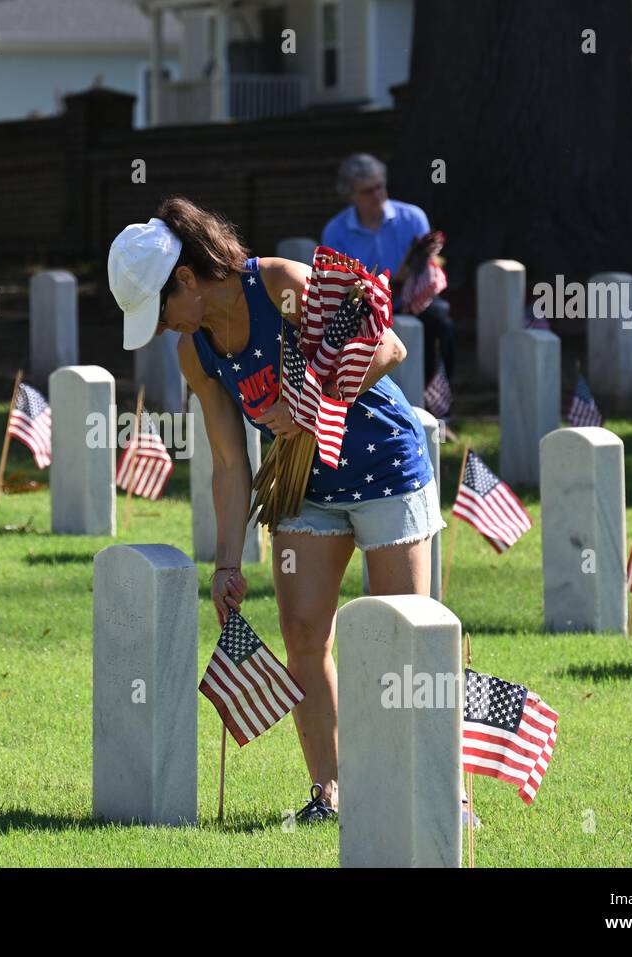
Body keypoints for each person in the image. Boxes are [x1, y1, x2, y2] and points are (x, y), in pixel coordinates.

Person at [109, 196, 443, 823]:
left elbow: (389, 348)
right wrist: (227, 563)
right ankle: (331, 791)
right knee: (303, 636)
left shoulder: (281, 286)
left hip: (385, 469)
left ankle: (432, 788)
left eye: (159, 313)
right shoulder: (197, 351)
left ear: (186, 279)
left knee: (406, 641)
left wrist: (310, 406)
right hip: (303, 490)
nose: (159, 329)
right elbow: (232, 466)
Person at [321, 153, 453, 383]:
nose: (377, 195)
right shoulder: (335, 231)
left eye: (380, 187)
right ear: (350, 195)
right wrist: (387, 281)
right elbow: (338, 284)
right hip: (366, 306)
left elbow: (430, 264)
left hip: (413, 298)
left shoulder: (412, 217)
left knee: (442, 322)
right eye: (367, 191)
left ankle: (441, 392)